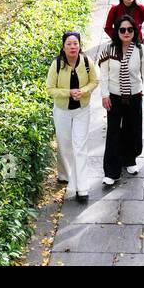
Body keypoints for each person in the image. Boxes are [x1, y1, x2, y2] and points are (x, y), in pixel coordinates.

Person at [98, 15, 144, 185]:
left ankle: (130, 160)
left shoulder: (141, 50)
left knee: (133, 131)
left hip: (134, 96)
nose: (126, 32)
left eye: (130, 29)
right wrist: (104, 94)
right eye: (122, 29)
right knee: (114, 133)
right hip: (114, 97)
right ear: (117, 31)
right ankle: (111, 171)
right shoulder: (108, 49)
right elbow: (104, 75)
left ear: (134, 31)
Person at [46, 31, 98, 203]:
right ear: (63, 47)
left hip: (82, 110)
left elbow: (94, 81)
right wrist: (68, 93)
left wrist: (83, 91)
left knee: (80, 147)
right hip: (62, 111)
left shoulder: (86, 61)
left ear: (79, 45)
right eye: (69, 43)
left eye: (75, 43)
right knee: (65, 145)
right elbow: (50, 89)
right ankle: (65, 175)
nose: (73, 46)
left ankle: (81, 188)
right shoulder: (57, 64)